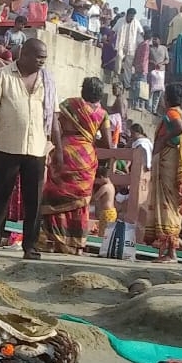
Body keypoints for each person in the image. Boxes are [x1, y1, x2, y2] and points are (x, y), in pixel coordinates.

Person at [0, 38, 60, 259]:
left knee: (34, 200)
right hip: (7, 147)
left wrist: (59, 149)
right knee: (1, 197)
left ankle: (30, 246)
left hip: (37, 149)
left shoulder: (48, 81)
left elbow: (54, 118)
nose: (41, 61)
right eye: (38, 57)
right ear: (25, 54)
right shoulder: (3, 75)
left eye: (44, 58)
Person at [39, 77, 108, 254]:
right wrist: (89, 140)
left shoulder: (70, 104)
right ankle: (76, 245)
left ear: (83, 90)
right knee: (80, 202)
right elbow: (108, 143)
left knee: (55, 195)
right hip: (86, 158)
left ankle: (54, 240)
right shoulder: (102, 114)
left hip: (65, 152)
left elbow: (54, 123)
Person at [149, 83, 182, 262]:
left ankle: (170, 253)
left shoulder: (172, 113)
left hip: (168, 161)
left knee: (167, 203)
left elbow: (180, 129)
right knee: (172, 204)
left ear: (167, 98)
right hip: (175, 160)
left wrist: (164, 140)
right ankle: (170, 252)